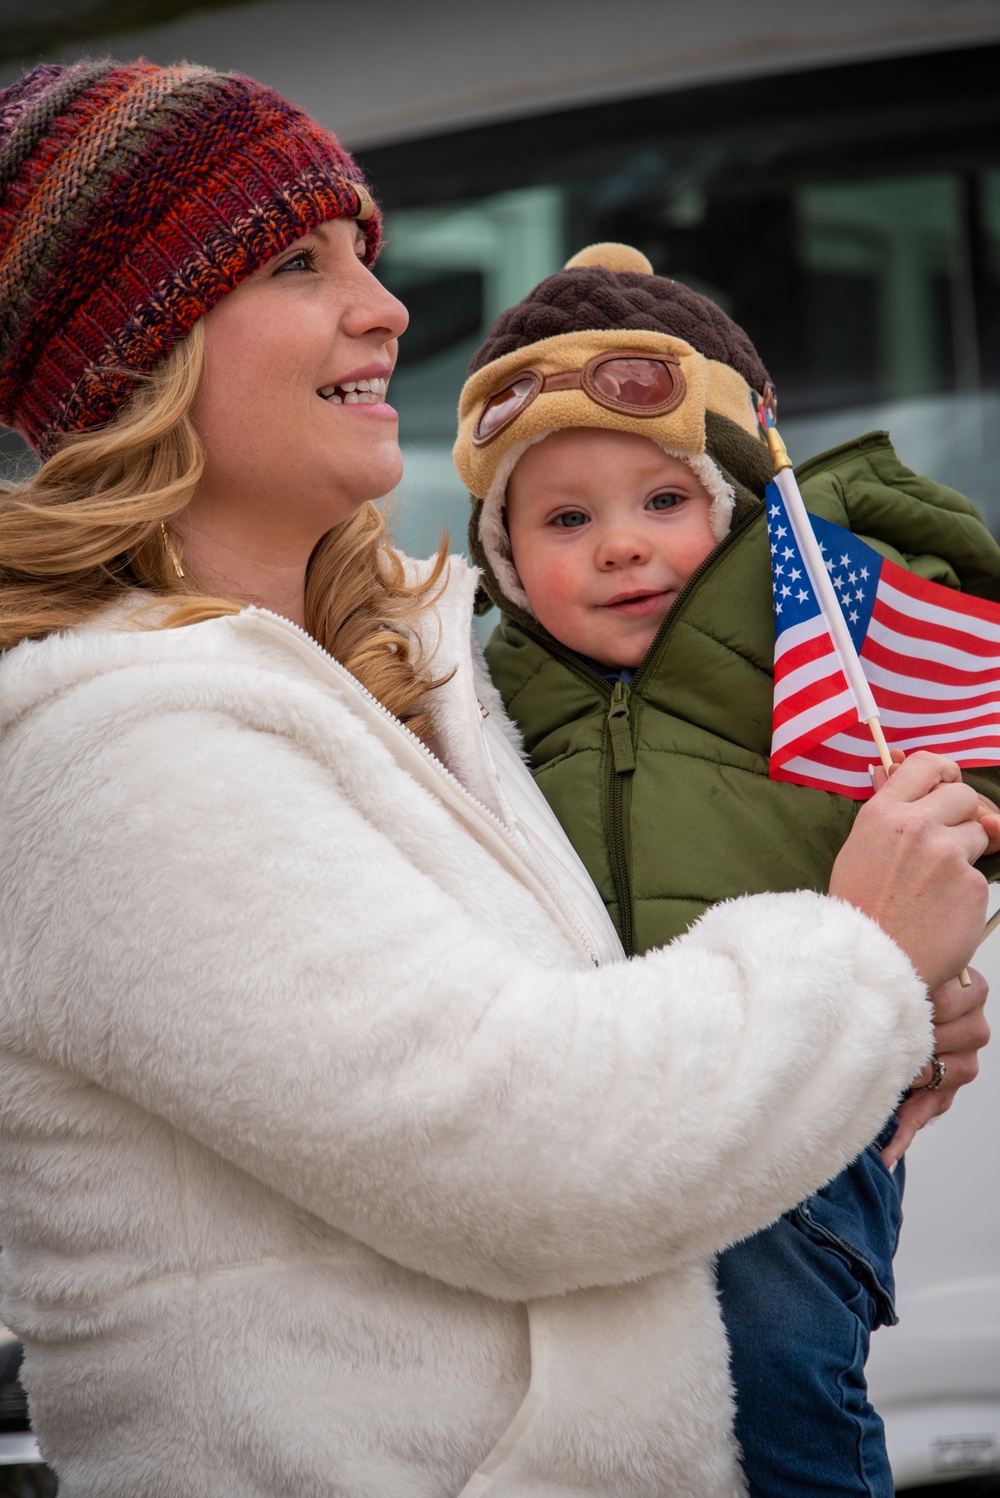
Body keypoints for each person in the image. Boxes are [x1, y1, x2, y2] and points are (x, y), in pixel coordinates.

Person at [0, 64, 989, 1498]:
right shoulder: (119, 747)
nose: (387, 308)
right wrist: (856, 956)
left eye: (368, 256)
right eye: (299, 262)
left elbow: (601, 1013)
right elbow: (542, 1152)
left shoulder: (417, 668)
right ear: (140, 349)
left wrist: (879, 1030)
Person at [454, 241, 1000, 1498]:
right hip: (606, 1150)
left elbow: (970, 763)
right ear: (500, 553)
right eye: (564, 519)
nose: (620, 548)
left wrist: (927, 960)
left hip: (804, 1136)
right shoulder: (486, 706)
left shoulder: (819, 646)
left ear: (732, 501)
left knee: (780, 1392)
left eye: (663, 501)